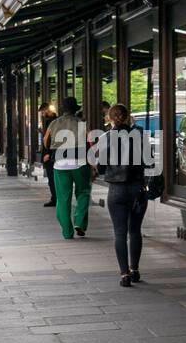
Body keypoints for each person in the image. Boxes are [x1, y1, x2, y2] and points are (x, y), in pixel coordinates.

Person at [93, 103, 154, 287]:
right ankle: (135, 270)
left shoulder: (105, 138)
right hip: (137, 190)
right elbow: (150, 164)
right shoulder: (140, 137)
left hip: (116, 191)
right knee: (135, 231)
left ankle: (124, 274)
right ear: (128, 117)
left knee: (120, 233)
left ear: (109, 119)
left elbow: (101, 168)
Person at [44, 97, 89, 238]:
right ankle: (80, 222)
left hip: (60, 163)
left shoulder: (54, 123)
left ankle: (67, 232)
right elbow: (90, 141)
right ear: (75, 109)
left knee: (62, 198)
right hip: (79, 161)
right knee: (83, 192)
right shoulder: (81, 123)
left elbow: (46, 142)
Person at [38, 106, 58, 205]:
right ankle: (55, 198)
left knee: (52, 178)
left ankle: (55, 198)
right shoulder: (54, 120)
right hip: (52, 153)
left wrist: (48, 154)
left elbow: (51, 139)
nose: (42, 114)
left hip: (50, 154)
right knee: (53, 178)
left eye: (42, 111)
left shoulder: (50, 122)